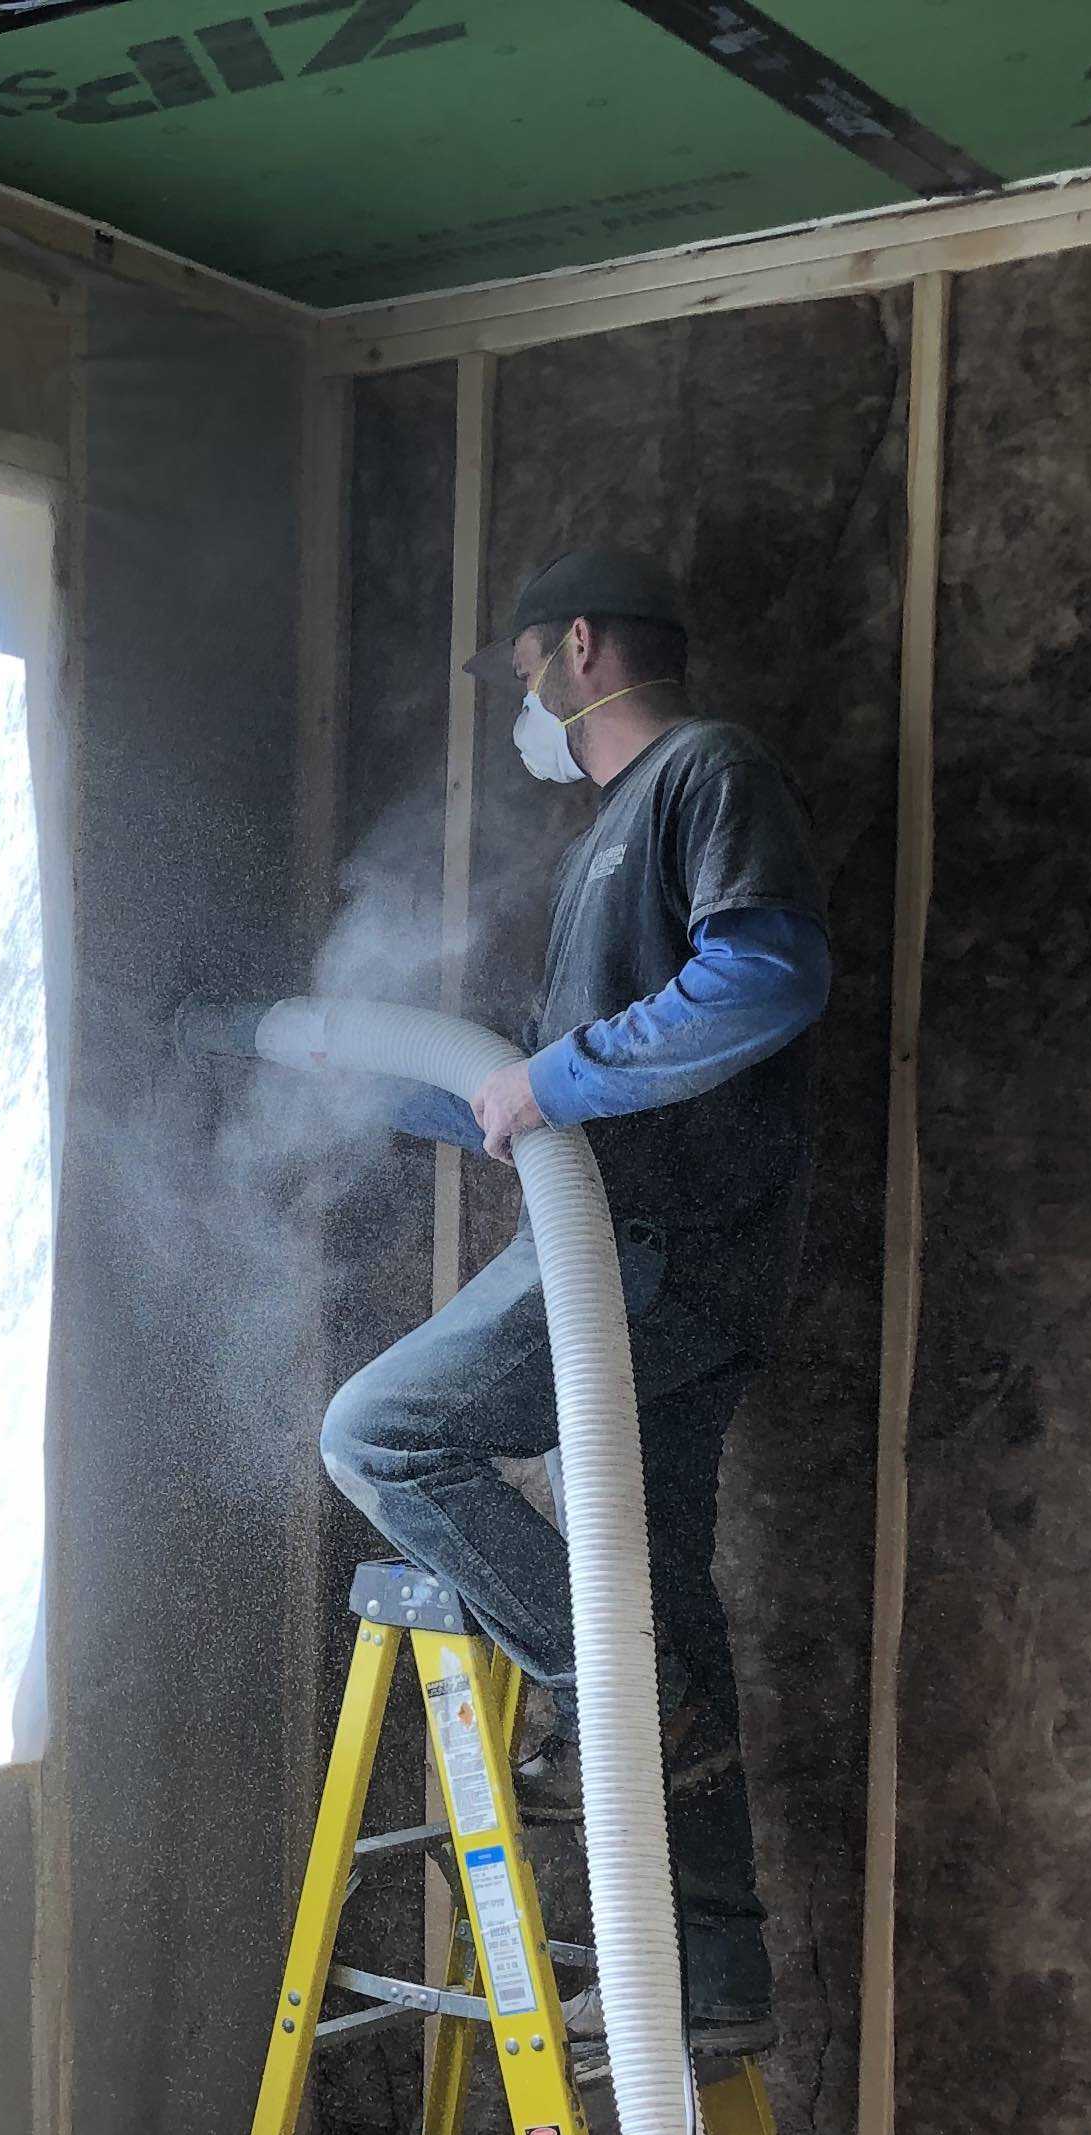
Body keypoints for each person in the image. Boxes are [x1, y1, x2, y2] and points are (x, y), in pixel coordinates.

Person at [322, 545, 834, 2040]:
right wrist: (368, 1083)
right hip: (660, 1248)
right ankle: (714, 1978)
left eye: (522, 668)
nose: (519, 704)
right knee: (657, 1589)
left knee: (381, 1435)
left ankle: (617, 1699)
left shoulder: (701, 776)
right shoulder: (615, 833)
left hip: (651, 1251)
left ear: (582, 649)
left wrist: (555, 1079)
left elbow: (767, 979)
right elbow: (534, 1095)